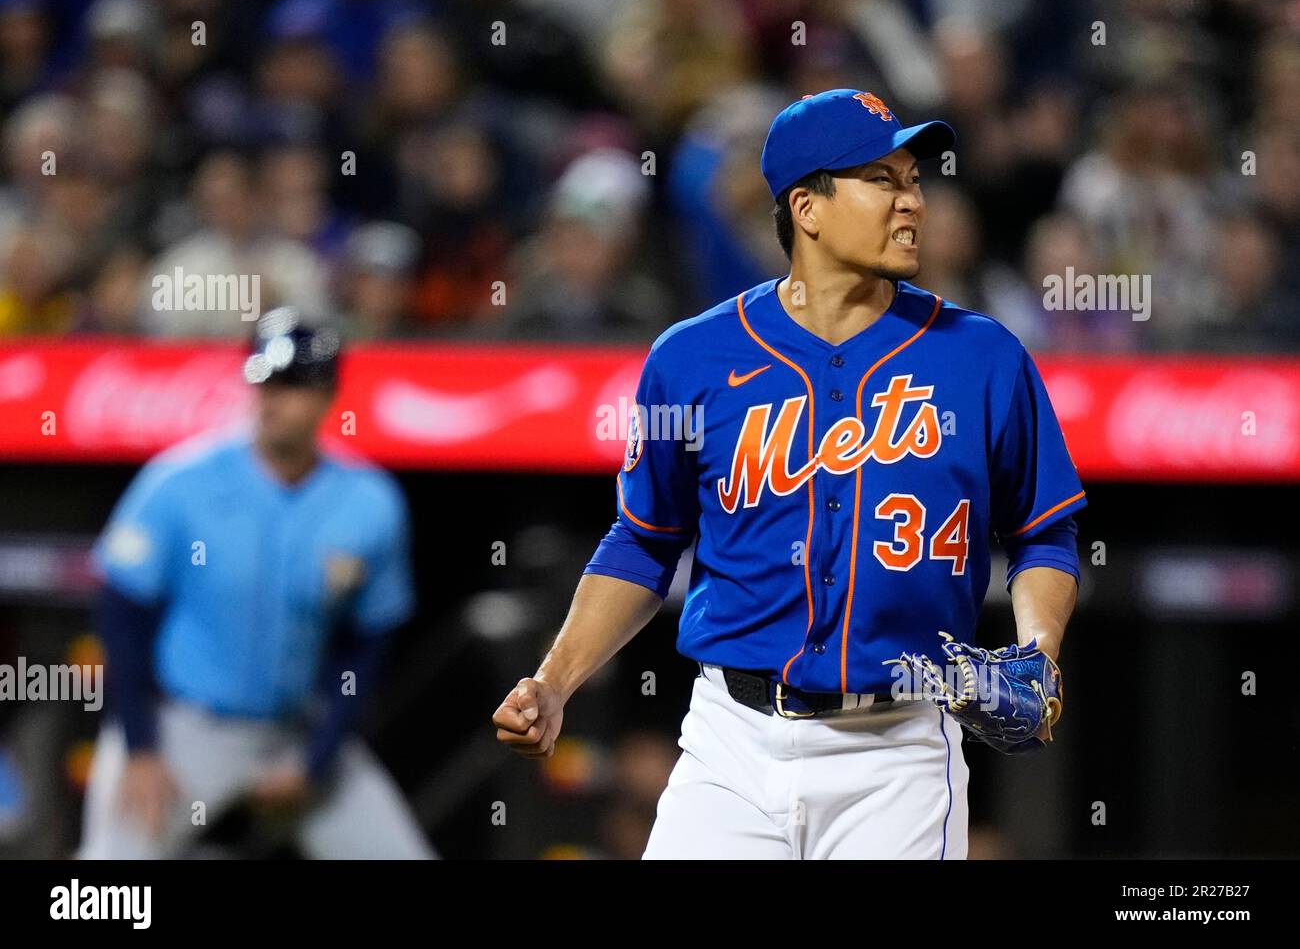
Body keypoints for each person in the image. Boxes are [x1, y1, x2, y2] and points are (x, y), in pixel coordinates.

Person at [492, 89, 1085, 859]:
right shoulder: (692, 358)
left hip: (898, 750)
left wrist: (1038, 649)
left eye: (914, 180)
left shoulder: (982, 357)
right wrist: (555, 681)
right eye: (883, 179)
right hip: (730, 740)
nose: (912, 202)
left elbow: (1045, 532)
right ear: (806, 206)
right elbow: (642, 542)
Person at [80, 309, 434, 859]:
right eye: (265, 379)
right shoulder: (179, 481)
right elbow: (122, 616)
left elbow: (365, 645)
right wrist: (140, 746)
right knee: (109, 889)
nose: (273, 398)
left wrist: (318, 757)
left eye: (292, 385)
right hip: (180, 729)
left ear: (328, 395)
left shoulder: (369, 502)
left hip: (294, 729)